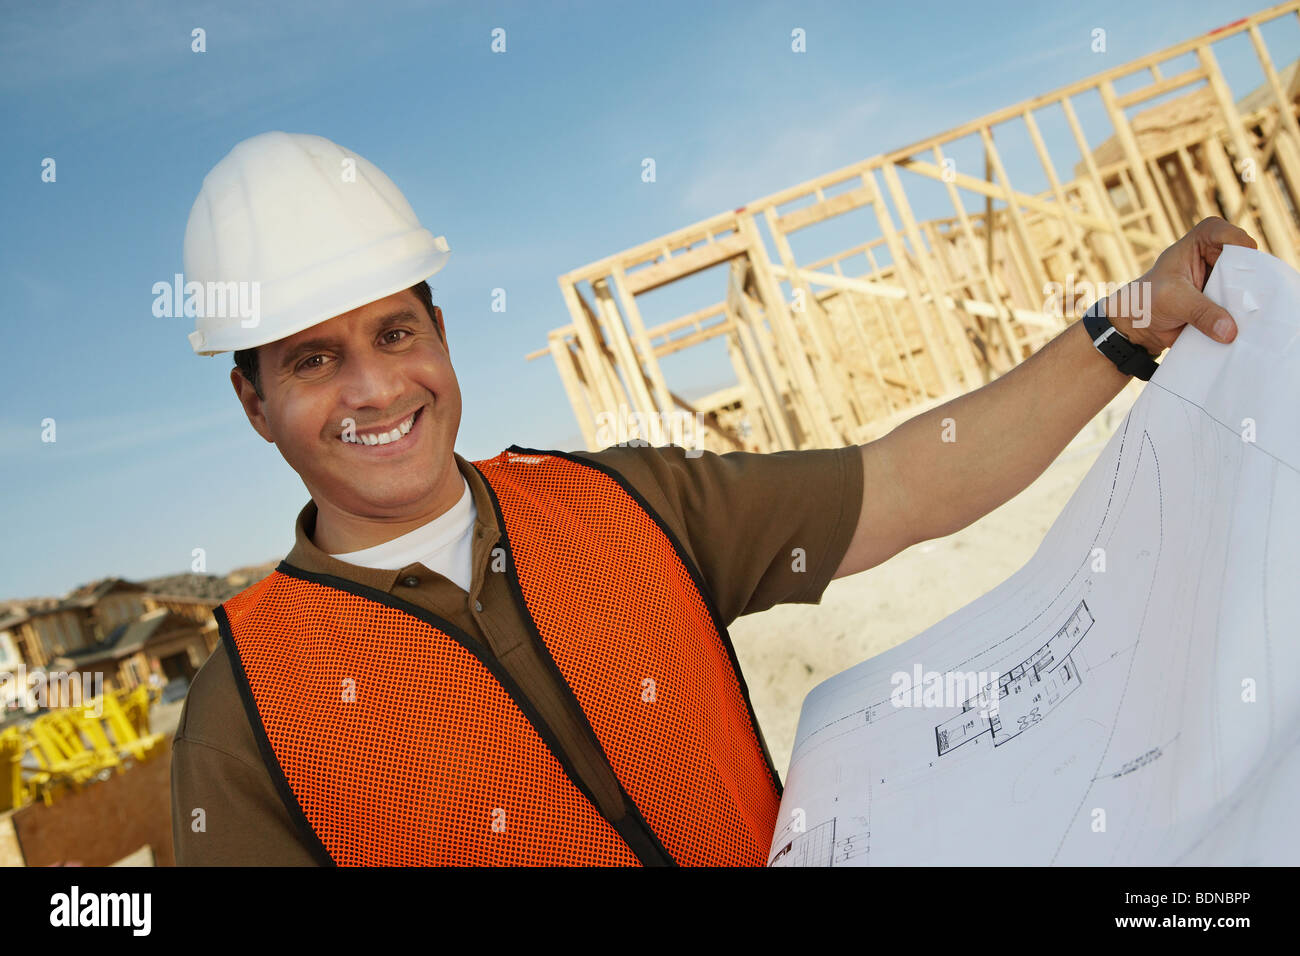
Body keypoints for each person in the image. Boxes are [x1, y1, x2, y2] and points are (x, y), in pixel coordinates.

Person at [170, 130, 1255, 866]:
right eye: (313, 360)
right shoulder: (246, 719)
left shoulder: (623, 503)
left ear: (440, 335)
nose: (373, 387)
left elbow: (914, 481)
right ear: (254, 400)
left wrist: (1127, 324)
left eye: (393, 332)